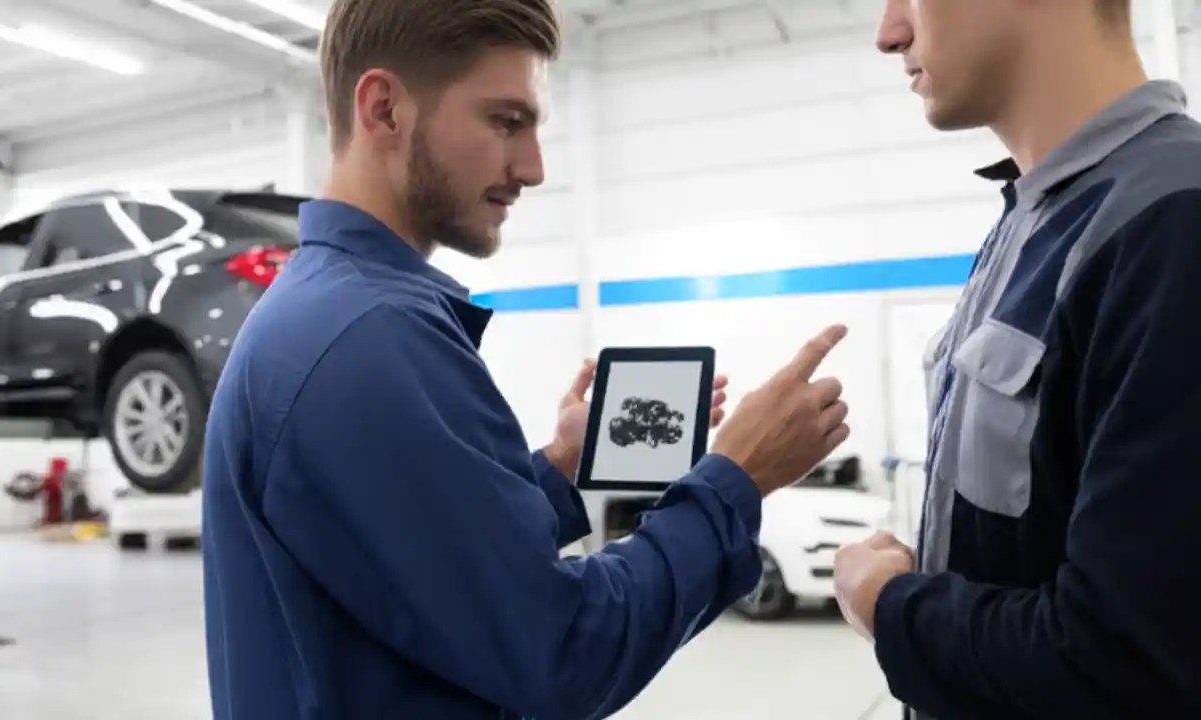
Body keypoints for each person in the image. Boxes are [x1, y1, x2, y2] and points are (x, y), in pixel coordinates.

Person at [201, 1, 853, 718]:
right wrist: (737, 479)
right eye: (506, 122)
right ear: (385, 108)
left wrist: (555, 468)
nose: (534, 168)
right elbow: (564, 650)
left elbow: (415, 560)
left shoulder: (326, 315)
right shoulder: (369, 339)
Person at [833, 0, 1201, 717]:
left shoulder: (1173, 227)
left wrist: (884, 604)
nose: (889, 33)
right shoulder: (1038, 219)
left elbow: (1126, 666)